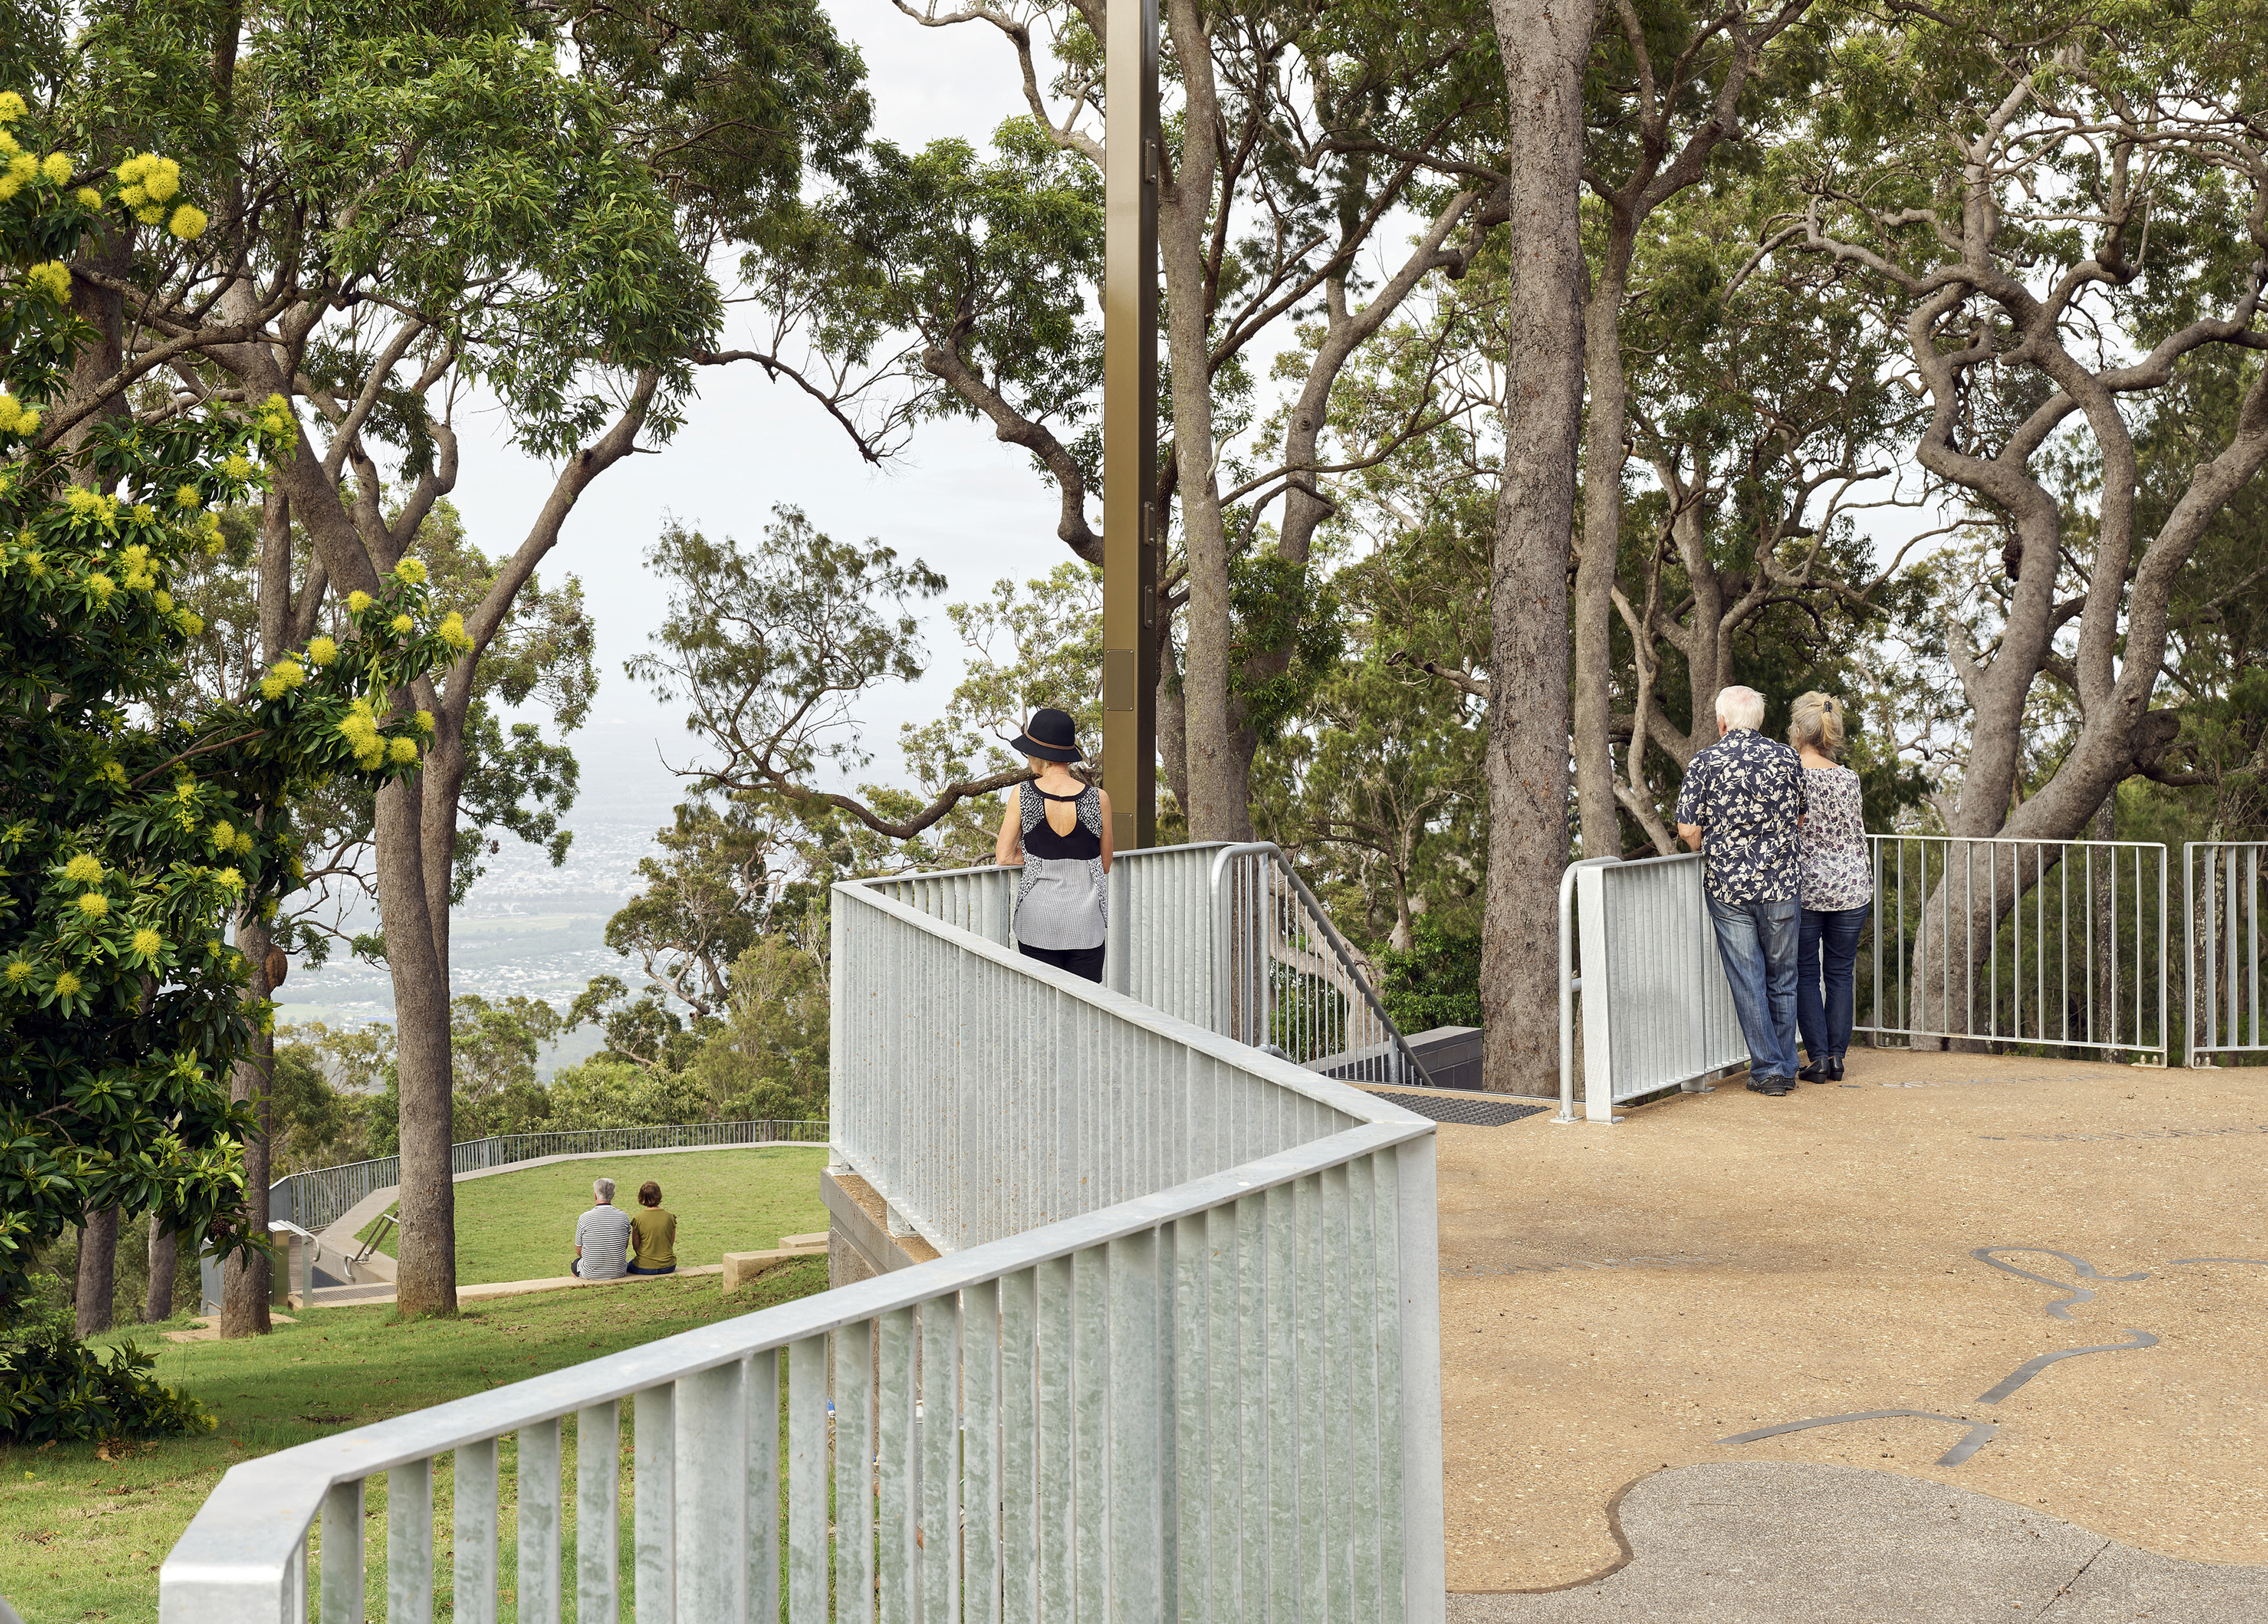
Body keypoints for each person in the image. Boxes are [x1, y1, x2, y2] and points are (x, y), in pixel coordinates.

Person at [1675, 685, 1808, 1097]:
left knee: (1748, 978)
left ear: (1722, 722)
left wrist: (1710, 845)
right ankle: (1785, 1067)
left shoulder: (1705, 762)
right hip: (1782, 884)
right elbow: (1802, 816)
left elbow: (1688, 831)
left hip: (1729, 889)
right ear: (1761, 721)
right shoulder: (1788, 757)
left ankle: (1769, 1070)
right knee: (1783, 979)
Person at [994, 706, 1115, 983]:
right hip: (1086, 926)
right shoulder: (1099, 798)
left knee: (1039, 1009)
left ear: (1040, 757)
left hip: (1037, 923)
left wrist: (1039, 859)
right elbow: (1105, 863)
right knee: (1086, 1010)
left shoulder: (1023, 794)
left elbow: (1003, 856)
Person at [1788, 692, 1872, 1082]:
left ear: (1797, 731)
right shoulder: (1849, 778)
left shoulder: (1791, 774)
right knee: (1840, 973)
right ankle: (1837, 1058)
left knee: (1806, 972)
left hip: (1807, 888)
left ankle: (1818, 1058)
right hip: (1852, 886)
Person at [572, 1177, 632, 1280]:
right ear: (613, 1195)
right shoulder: (623, 1216)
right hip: (619, 1271)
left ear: (595, 1195)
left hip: (590, 1273)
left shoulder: (584, 1218)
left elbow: (578, 1250)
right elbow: (624, 1245)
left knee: (575, 1265)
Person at [627, 1180, 677, 1275]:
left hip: (644, 1267)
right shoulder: (670, 1217)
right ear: (659, 1195)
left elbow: (636, 1246)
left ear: (641, 1197)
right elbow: (671, 1242)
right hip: (668, 1266)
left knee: (628, 1265)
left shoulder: (638, 1219)